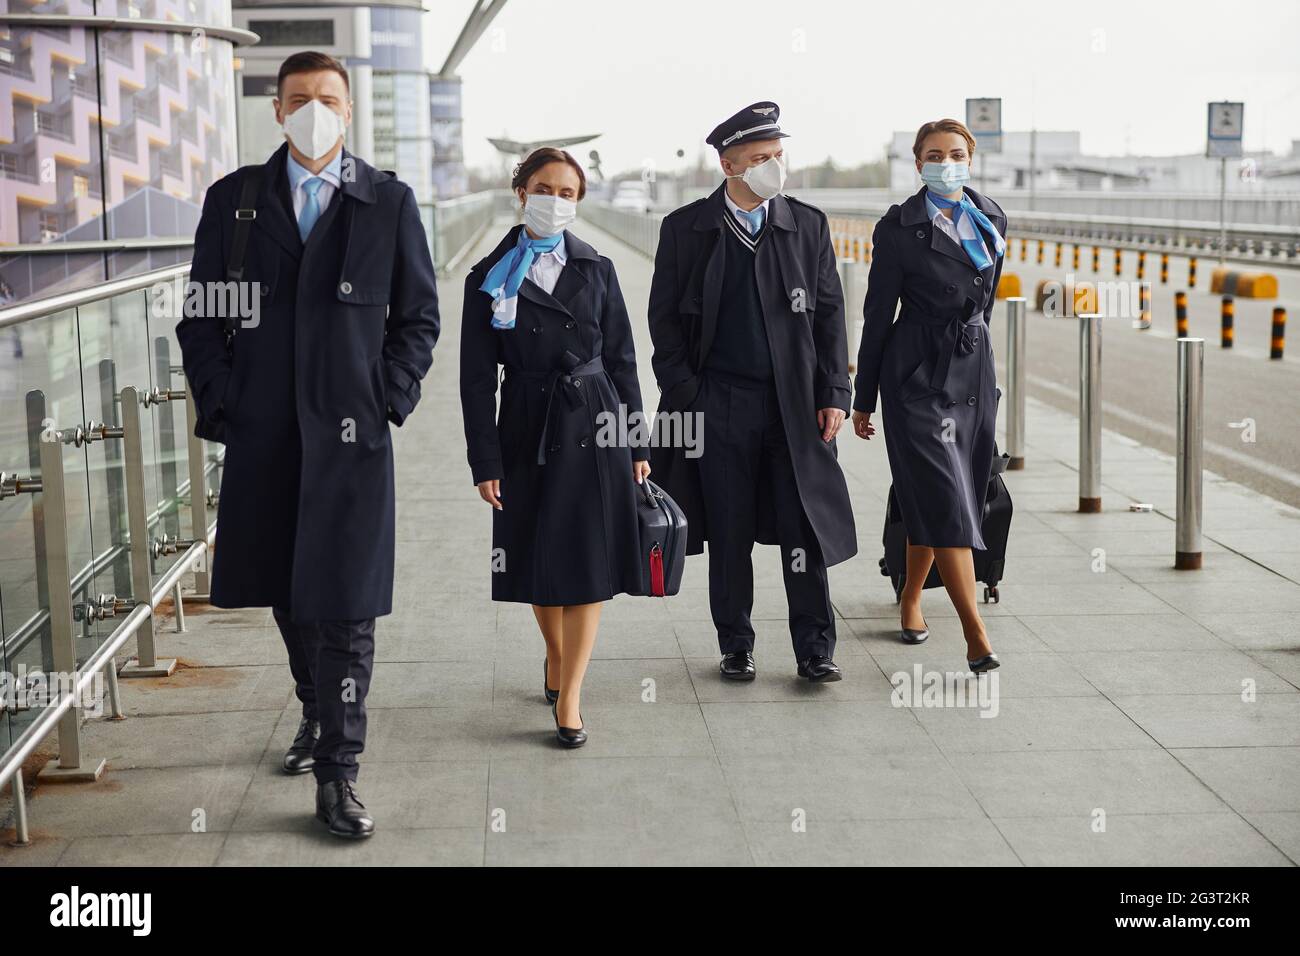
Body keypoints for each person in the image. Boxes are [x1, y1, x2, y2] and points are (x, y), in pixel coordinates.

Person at [176, 51, 440, 838]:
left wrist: (388, 396)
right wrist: (225, 405)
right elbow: (200, 315)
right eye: (300, 98)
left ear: (349, 109)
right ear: (277, 109)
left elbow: (418, 319)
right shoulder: (237, 201)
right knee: (289, 594)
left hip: (353, 442)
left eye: (328, 98)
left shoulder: (388, 200)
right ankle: (318, 709)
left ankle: (339, 775)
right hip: (265, 438)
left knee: (347, 607)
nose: (314, 110)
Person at [647, 102, 856, 684]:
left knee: (803, 527)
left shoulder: (806, 225)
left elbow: (832, 317)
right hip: (718, 404)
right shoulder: (685, 229)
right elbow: (662, 320)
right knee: (729, 529)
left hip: (796, 407)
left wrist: (835, 391)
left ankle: (815, 647)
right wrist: (687, 391)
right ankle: (735, 643)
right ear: (728, 165)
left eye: (778, 156)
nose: (774, 167)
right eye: (761, 159)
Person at [460, 147, 651, 748]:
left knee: (588, 564)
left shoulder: (598, 268)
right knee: (537, 562)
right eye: (545, 189)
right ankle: (555, 653)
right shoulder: (487, 276)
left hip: (596, 423)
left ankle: (570, 695)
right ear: (521, 192)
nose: (556, 201)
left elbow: (623, 358)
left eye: (568, 193)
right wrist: (484, 460)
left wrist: (637, 439)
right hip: (525, 425)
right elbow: (473, 379)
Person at [851, 118, 1005, 673]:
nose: (947, 162)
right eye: (935, 154)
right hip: (915, 376)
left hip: (972, 372)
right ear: (918, 164)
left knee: (938, 494)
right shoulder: (898, 228)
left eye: (957, 153)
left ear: (972, 158)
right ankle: (975, 634)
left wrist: (984, 367)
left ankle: (912, 595)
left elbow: (984, 304)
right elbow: (876, 317)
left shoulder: (991, 217)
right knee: (946, 496)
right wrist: (862, 397)